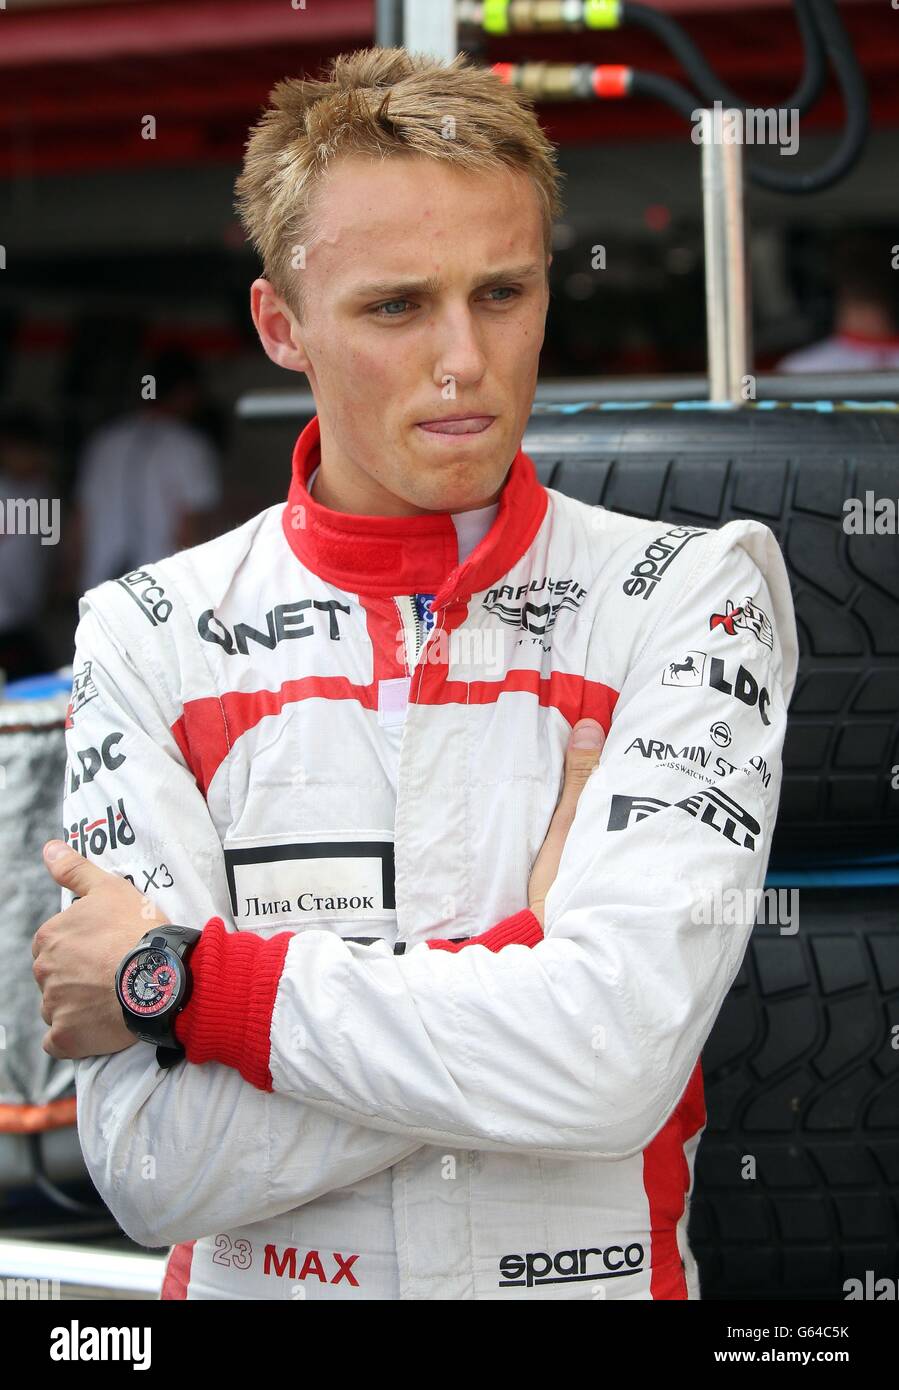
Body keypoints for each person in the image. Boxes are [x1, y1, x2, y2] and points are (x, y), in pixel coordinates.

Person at [34, 47, 798, 1301]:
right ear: (279, 325)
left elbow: (612, 1065)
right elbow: (154, 1168)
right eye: (395, 307)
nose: (462, 360)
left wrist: (197, 983)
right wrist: (524, 957)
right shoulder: (149, 631)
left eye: (500, 293)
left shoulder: (684, 595)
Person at [72, 347, 222, 595]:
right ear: (186, 393)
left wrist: (70, 577)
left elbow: (80, 521)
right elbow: (190, 528)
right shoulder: (190, 447)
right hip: (159, 597)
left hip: (98, 589)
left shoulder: (104, 442)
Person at [777, 232, 899, 374]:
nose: (863, 270)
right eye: (852, 263)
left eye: (875, 261)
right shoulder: (801, 368)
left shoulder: (802, 367)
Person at [0, 409, 56, 683]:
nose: (32, 459)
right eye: (22, 451)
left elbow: (48, 548)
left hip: (25, 613)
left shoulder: (42, 490)